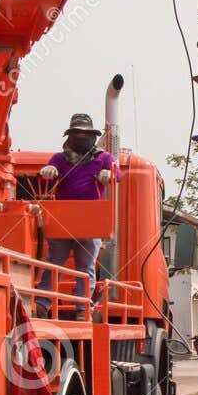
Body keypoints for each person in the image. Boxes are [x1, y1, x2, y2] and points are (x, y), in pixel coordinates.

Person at [38, 113, 117, 311]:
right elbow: (43, 177)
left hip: (90, 219)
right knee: (54, 262)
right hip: (63, 218)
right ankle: (42, 303)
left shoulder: (103, 158)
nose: (81, 138)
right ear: (70, 136)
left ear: (92, 136)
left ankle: (82, 308)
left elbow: (118, 174)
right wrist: (48, 170)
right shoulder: (59, 158)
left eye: (85, 134)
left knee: (86, 266)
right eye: (76, 134)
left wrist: (109, 173)